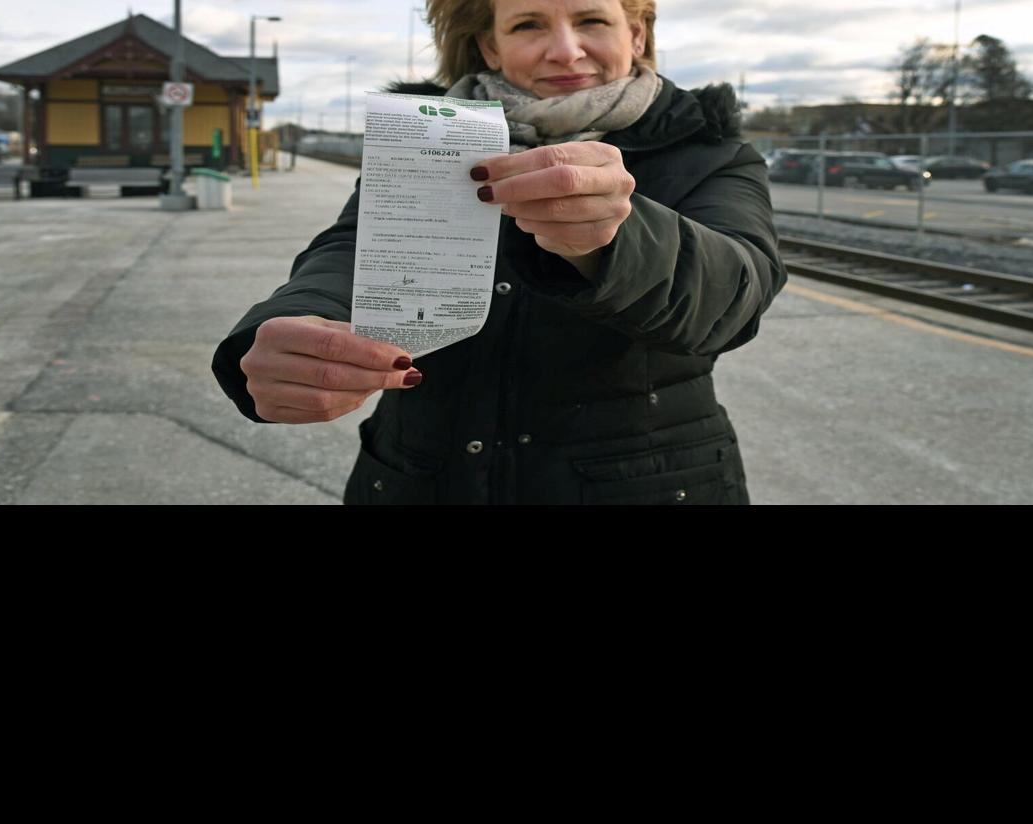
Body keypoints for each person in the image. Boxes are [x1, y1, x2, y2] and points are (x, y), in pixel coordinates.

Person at [211, 0, 784, 504]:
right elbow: (354, 249)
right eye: (529, 24)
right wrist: (294, 326)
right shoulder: (424, 138)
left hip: (647, 481)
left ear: (636, 35)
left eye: (591, 20)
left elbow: (737, 295)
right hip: (422, 478)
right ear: (490, 44)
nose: (565, 50)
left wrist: (617, 240)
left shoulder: (712, 152)